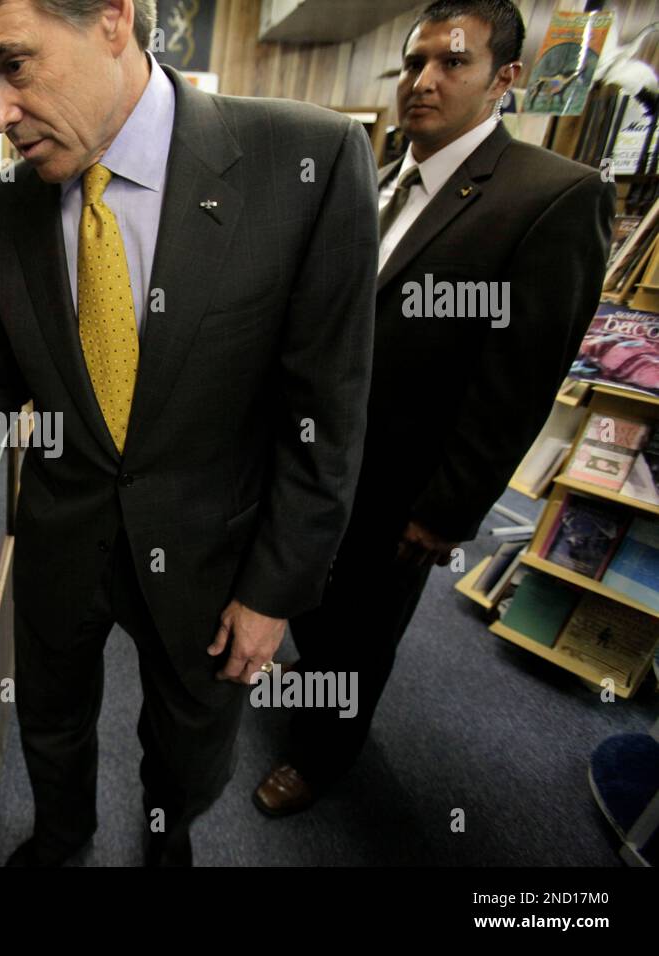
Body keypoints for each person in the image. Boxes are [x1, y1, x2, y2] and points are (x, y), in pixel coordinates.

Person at [0, 0, 378, 865]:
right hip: (62, 536)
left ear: (113, 17)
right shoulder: (3, 209)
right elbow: (0, 373)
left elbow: (326, 415)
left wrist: (276, 592)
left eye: (15, 66)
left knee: (188, 752)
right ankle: (62, 837)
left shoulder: (307, 160)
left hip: (210, 556)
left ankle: (169, 841)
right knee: (50, 721)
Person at [254, 0, 615, 816]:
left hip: (403, 481)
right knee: (310, 599)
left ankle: (323, 755)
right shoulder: (383, 175)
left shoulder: (553, 196)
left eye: (453, 63)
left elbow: (520, 377)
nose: (423, 81)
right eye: (415, 63)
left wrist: (448, 509)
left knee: (360, 631)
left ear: (506, 78)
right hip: (318, 460)